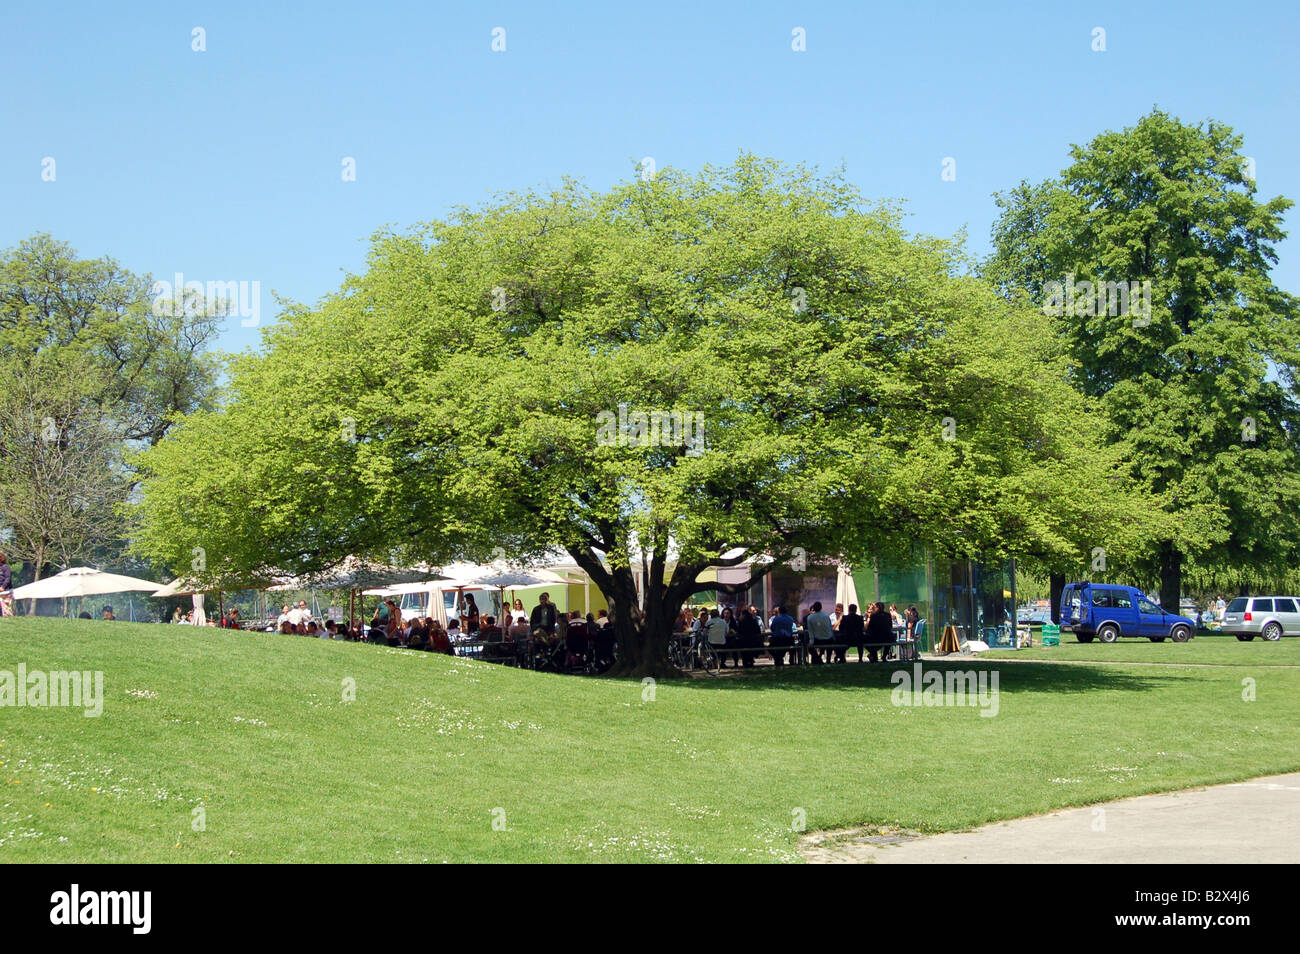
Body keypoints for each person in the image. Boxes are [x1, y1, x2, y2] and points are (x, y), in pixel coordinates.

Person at [0, 552, 11, 618]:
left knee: (7, 612)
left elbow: (8, 579)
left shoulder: (5, 567)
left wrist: (3, 587)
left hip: (5, 592)